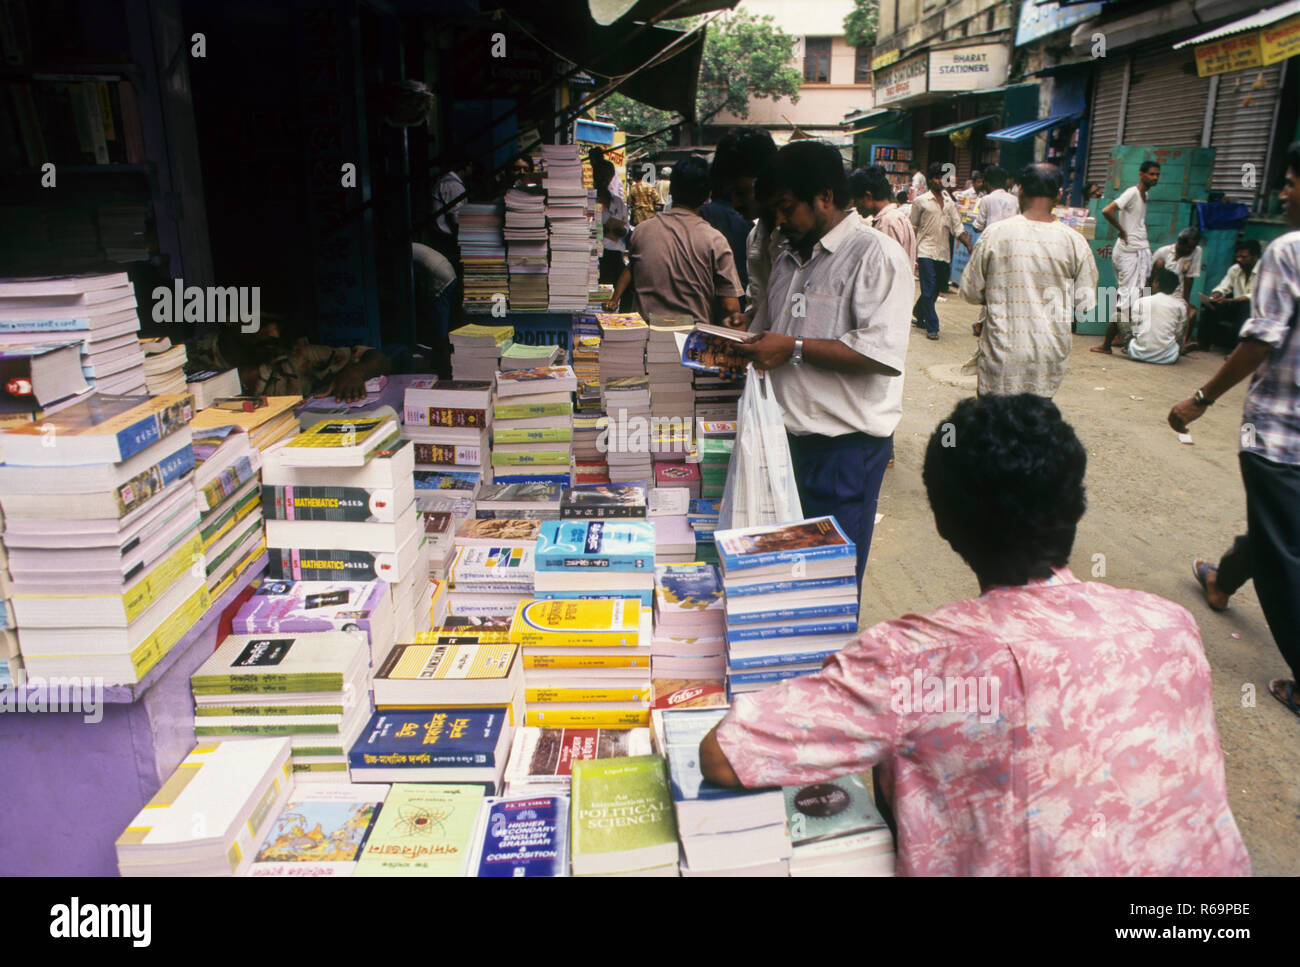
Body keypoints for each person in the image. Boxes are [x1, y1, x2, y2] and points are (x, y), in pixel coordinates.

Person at [698, 393, 1251, 877]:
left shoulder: (912, 662)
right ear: (1075, 505)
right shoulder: (1168, 623)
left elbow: (724, 756)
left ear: (941, 520)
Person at [737, 140, 912, 587]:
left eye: (787, 207)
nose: (779, 220)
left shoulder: (875, 254)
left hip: (843, 450)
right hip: (782, 442)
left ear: (826, 197)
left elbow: (880, 354)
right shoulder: (788, 257)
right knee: (785, 583)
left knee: (829, 588)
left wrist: (792, 346)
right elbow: (766, 330)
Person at [1169, 143, 1300, 720]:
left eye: (1292, 182)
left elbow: (1261, 339)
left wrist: (1201, 398)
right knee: (1278, 525)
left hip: (1283, 434)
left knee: (1283, 551)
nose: (1286, 192)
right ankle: (1221, 578)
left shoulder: (1288, 251)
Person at [958, 163, 1098, 397]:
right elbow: (1085, 304)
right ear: (1059, 195)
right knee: (1033, 426)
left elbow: (970, 292)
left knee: (993, 427)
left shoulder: (995, 234)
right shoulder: (1075, 242)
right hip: (1048, 357)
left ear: (1019, 191)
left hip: (1002, 353)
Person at [605, 156, 744, 327]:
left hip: (647, 340)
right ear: (708, 196)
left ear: (672, 189)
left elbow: (631, 270)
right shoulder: (715, 241)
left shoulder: (642, 232)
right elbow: (730, 307)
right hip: (693, 345)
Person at [187, 318, 391, 402]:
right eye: (263, 322)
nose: (275, 334)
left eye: (278, 324)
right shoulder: (184, 361)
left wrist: (355, 372)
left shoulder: (296, 355)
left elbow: (378, 358)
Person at [1092, 160, 1160, 354]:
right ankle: (1106, 345)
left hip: (1137, 251)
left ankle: (1118, 338)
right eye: (1151, 174)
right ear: (1141, 174)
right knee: (1127, 298)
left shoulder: (1144, 194)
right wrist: (1121, 230)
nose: (1155, 177)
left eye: (1157, 175)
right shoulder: (1132, 192)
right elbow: (1107, 210)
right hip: (1129, 253)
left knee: (1135, 296)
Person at [701, 129, 777, 288]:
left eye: (741, 193)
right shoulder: (755, 238)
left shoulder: (798, 241)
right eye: (730, 195)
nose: (735, 204)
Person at [910, 161, 972, 340]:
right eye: (936, 178)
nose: (939, 181)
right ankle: (933, 327)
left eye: (942, 178)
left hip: (943, 252)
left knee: (936, 289)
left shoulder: (949, 203)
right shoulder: (920, 201)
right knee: (928, 289)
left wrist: (968, 244)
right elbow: (912, 226)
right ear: (930, 180)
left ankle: (918, 312)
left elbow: (958, 227)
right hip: (925, 250)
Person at [1192, 239, 1261, 352]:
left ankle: (1238, 350)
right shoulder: (1235, 269)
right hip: (1236, 305)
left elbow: (1253, 296)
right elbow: (1224, 286)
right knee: (1212, 307)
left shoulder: (1264, 271)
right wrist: (1216, 295)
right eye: (1238, 256)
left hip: (1255, 310)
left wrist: (1229, 301)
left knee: (1246, 307)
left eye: (1244, 257)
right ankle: (1203, 343)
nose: (1239, 260)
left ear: (1255, 257)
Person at [849, 165, 916, 267]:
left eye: (856, 200)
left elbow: (888, 267)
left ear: (868, 196)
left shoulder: (887, 223)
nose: (855, 205)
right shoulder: (895, 217)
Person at [1125, 268, 1188, 364]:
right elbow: (1179, 334)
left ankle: (1106, 346)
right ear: (1174, 288)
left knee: (1117, 316)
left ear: (1156, 283)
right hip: (1168, 358)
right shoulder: (1180, 306)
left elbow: (1135, 329)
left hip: (1137, 353)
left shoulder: (1141, 301)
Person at [1152, 226, 1203, 341]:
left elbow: (1189, 279)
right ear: (1180, 243)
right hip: (1159, 292)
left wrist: (1186, 302)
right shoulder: (1163, 252)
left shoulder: (1196, 251)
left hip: (1177, 294)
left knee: (1191, 313)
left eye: (1192, 248)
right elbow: (1150, 277)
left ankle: (1181, 343)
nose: (1190, 250)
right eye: (1188, 247)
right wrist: (1148, 297)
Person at [431, 157, 473, 264]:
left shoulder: (449, 181)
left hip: (446, 238)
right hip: (447, 239)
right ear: (466, 167)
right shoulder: (452, 184)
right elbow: (456, 218)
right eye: (471, 166)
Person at [971, 164, 1018, 233]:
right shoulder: (1015, 199)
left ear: (987, 183)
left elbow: (978, 227)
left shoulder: (986, 199)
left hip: (992, 240)